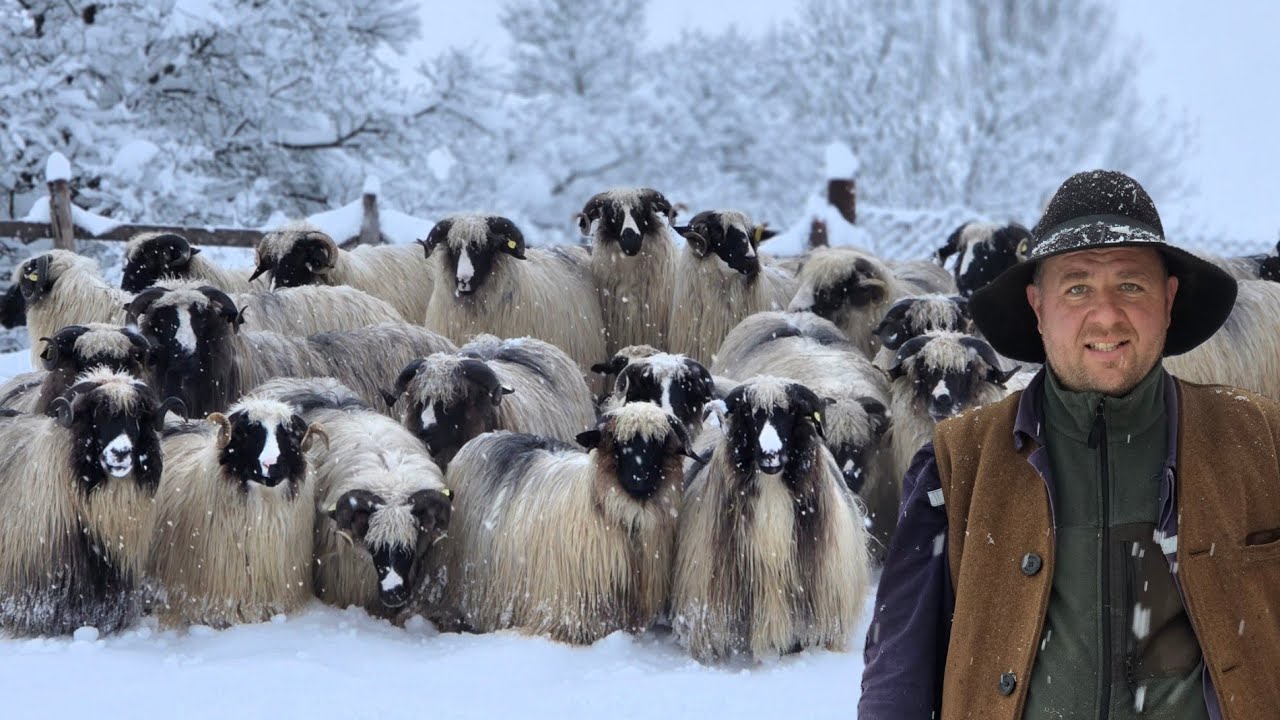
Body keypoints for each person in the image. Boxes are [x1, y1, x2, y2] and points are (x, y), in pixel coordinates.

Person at [857, 169, 1280, 719]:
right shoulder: (956, 465)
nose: (1105, 315)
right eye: (1077, 286)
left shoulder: (1263, 443)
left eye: (1130, 285)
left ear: (1169, 299)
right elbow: (897, 680)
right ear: (1037, 306)